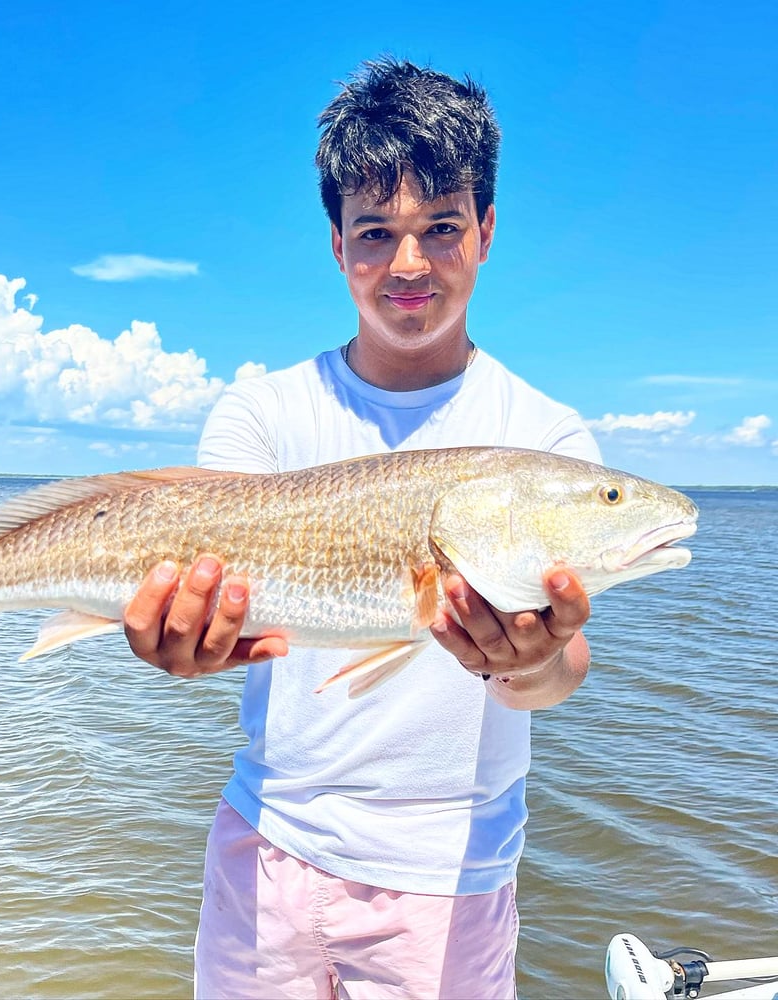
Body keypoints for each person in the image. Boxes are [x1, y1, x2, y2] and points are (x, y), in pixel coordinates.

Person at [123, 57, 600, 1000]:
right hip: (265, 845)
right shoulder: (263, 412)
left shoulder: (544, 440)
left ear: (487, 231)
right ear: (338, 246)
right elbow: (205, 582)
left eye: (442, 228)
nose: (409, 264)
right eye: (377, 232)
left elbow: (564, 669)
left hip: (451, 876)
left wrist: (530, 660)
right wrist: (181, 635)